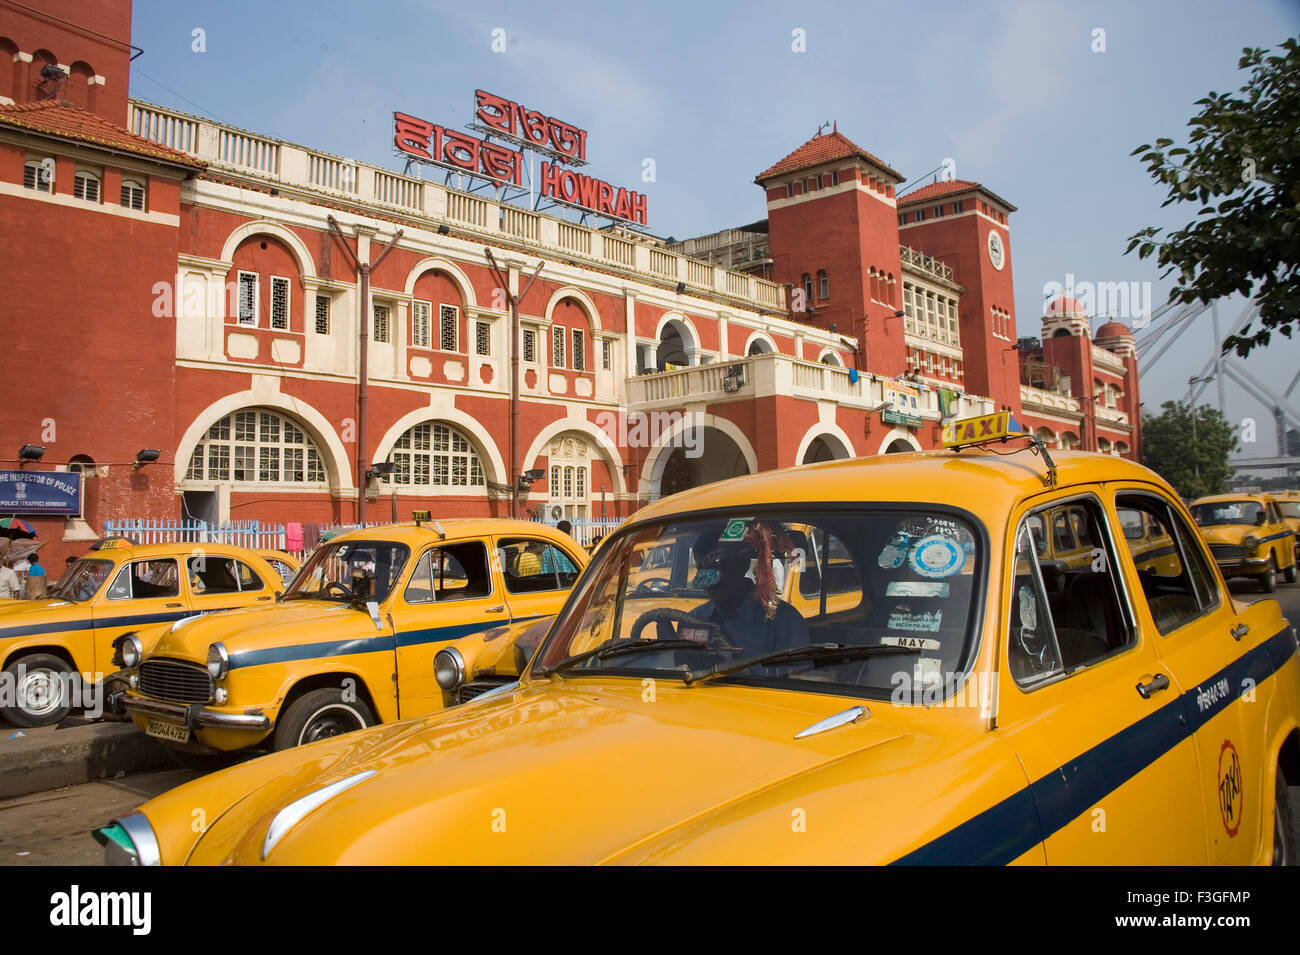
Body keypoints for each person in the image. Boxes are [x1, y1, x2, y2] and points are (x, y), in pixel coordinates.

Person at [690, 531, 807, 657]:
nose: (710, 579)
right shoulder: (694, 620)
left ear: (742, 565)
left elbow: (794, 673)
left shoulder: (782, 620)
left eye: (719, 566)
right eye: (702, 569)